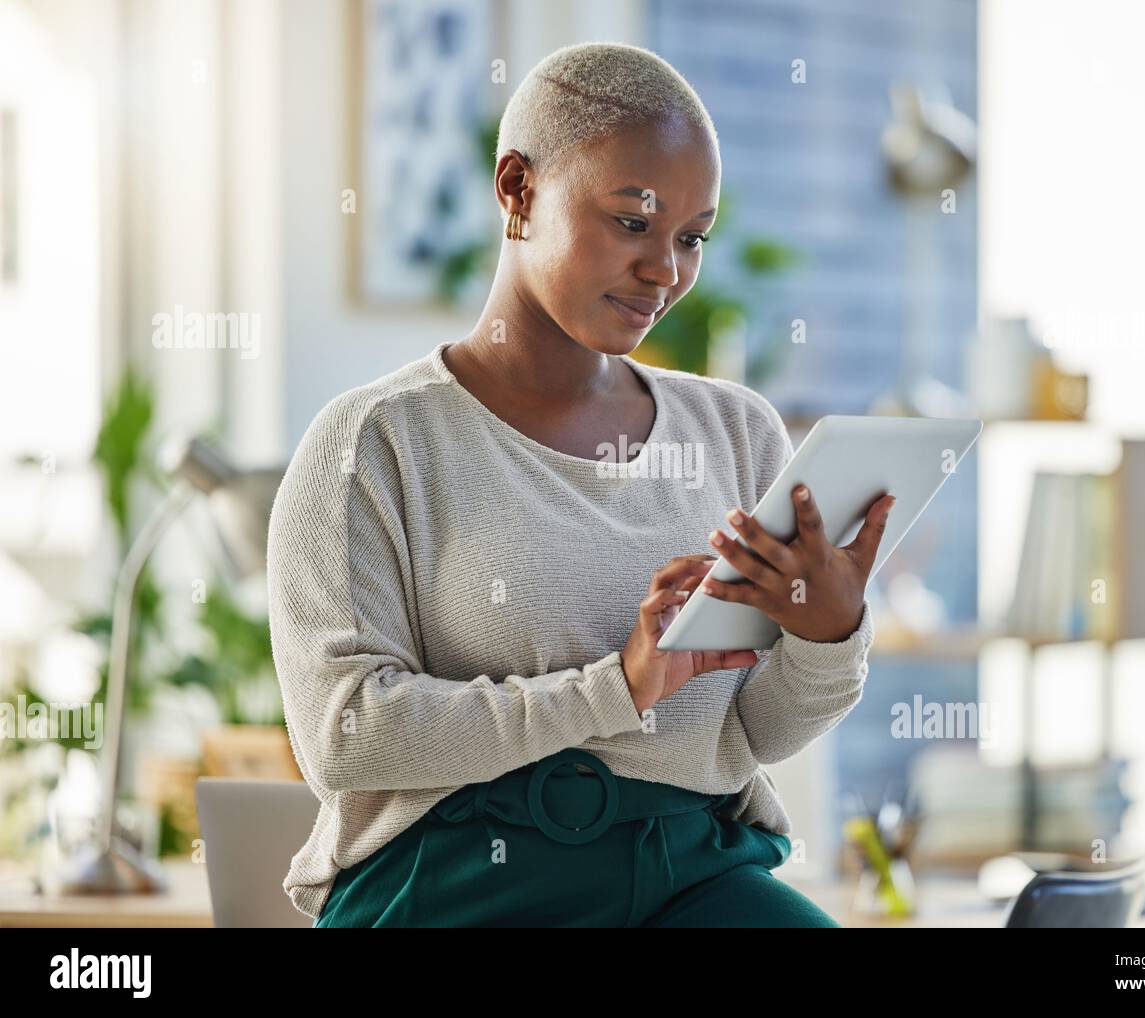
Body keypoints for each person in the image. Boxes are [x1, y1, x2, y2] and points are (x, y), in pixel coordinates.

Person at [267, 41, 894, 928]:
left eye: (692, 237)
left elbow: (748, 734)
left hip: (691, 874)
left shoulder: (736, 432)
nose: (666, 270)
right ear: (517, 190)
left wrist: (827, 635)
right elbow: (346, 734)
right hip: (456, 883)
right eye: (633, 222)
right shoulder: (375, 443)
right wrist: (617, 687)